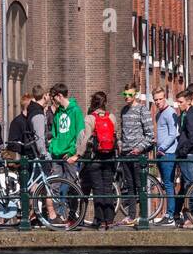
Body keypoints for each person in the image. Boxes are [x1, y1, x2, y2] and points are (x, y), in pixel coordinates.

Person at [48, 84, 85, 224]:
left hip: (69, 156)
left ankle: (72, 215)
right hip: (57, 155)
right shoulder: (57, 112)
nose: (53, 100)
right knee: (55, 186)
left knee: (72, 185)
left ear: (59, 96)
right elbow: (55, 132)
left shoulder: (75, 111)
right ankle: (57, 216)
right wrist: (53, 148)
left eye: (53, 97)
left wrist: (72, 153)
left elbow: (80, 134)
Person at [119, 86, 154, 226]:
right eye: (124, 93)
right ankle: (131, 215)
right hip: (125, 154)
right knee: (130, 186)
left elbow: (151, 135)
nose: (126, 96)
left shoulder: (142, 110)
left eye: (129, 94)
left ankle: (142, 216)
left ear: (135, 95)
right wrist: (120, 144)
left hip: (138, 154)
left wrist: (139, 149)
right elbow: (122, 133)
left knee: (141, 186)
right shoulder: (123, 111)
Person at [86, 91, 118, 231]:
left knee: (97, 190)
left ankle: (98, 220)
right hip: (110, 157)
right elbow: (115, 135)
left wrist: (77, 154)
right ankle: (109, 220)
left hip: (95, 158)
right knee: (108, 188)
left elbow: (85, 139)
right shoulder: (111, 117)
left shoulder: (89, 118)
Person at [176, 87, 193, 226]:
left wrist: (183, 151)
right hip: (190, 154)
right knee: (189, 185)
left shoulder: (191, 115)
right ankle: (192, 216)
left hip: (189, 154)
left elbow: (192, 137)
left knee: (191, 185)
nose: (178, 104)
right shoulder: (188, 113)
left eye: (180, 102)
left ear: (187, 102)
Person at [154, 88, 180, 224]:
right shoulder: (158, 114)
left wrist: (162, 147)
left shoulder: (170, 113)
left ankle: (170, 215)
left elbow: (173, 134)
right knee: (166, 184)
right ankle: (170, 214)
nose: (158, 102)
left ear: (165, 98)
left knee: (169, 184)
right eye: (156, 100)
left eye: (160, 99)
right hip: (161, 152)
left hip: (168, 153)